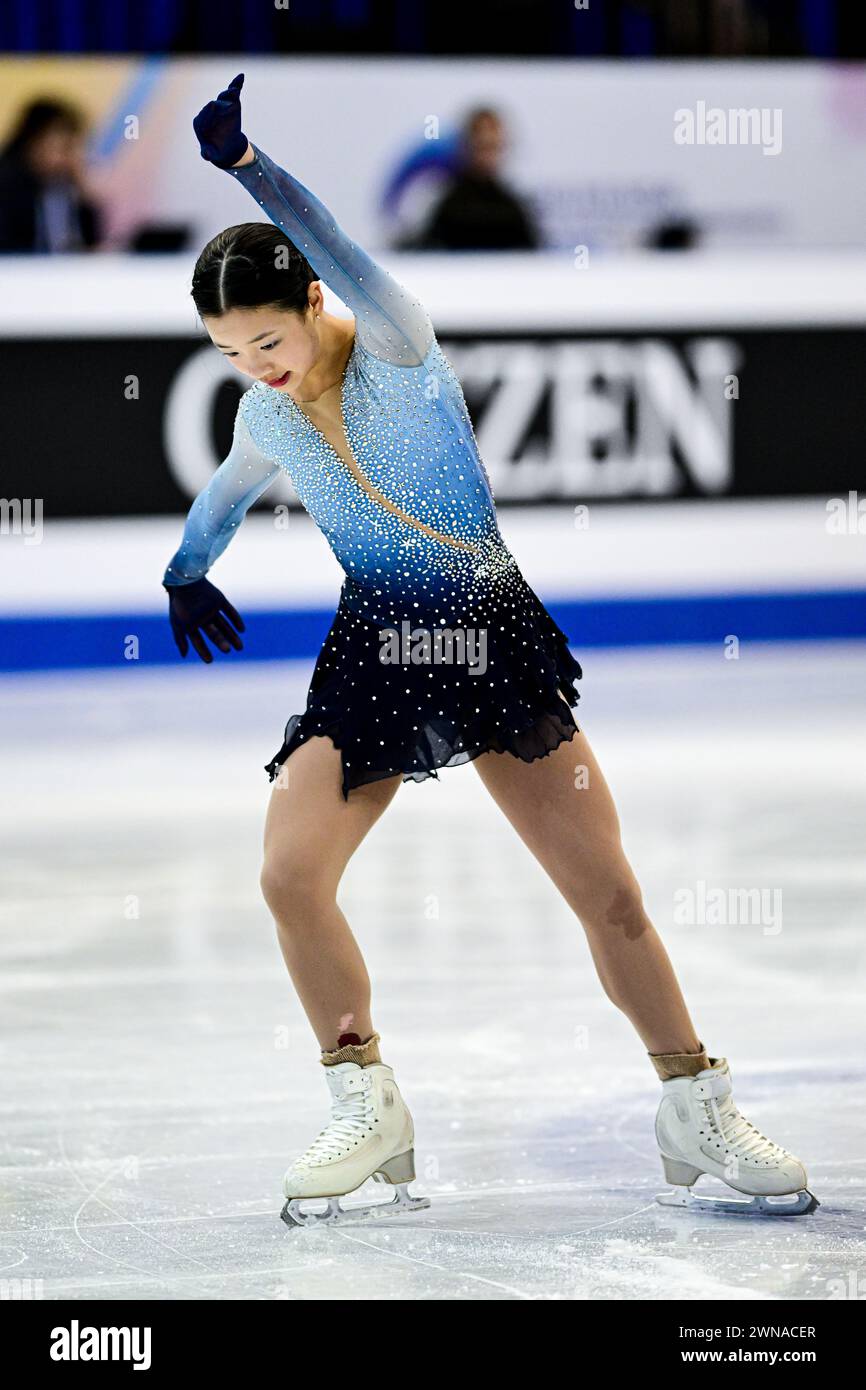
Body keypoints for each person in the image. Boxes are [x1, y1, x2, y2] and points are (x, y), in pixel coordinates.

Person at [162, 75, 816, 1226]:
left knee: (607, 894)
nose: (255, 365)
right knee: (287, 871)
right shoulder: (264, 413)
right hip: (373, 646)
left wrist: (249, 168)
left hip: (488, 637)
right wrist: (184, 566)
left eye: (266, 336)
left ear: (312, 303)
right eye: (227, 351)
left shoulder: (400, 349)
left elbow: (346, 249)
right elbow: (222, 494)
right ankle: (364, 1097)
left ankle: (690, 1101)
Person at [410, 106, 540, 251]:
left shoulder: (513, 211)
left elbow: (530, 260)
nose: (487, 156)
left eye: (493, 147)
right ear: (467, 147)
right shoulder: (448, 208)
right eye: (482, 146)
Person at [0, 98, 101, 253]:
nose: (70, 158)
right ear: (33, 142)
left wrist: (83, 193)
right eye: (64, 147)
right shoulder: (7, 183)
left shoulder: (61, 185)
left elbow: (90, 246)